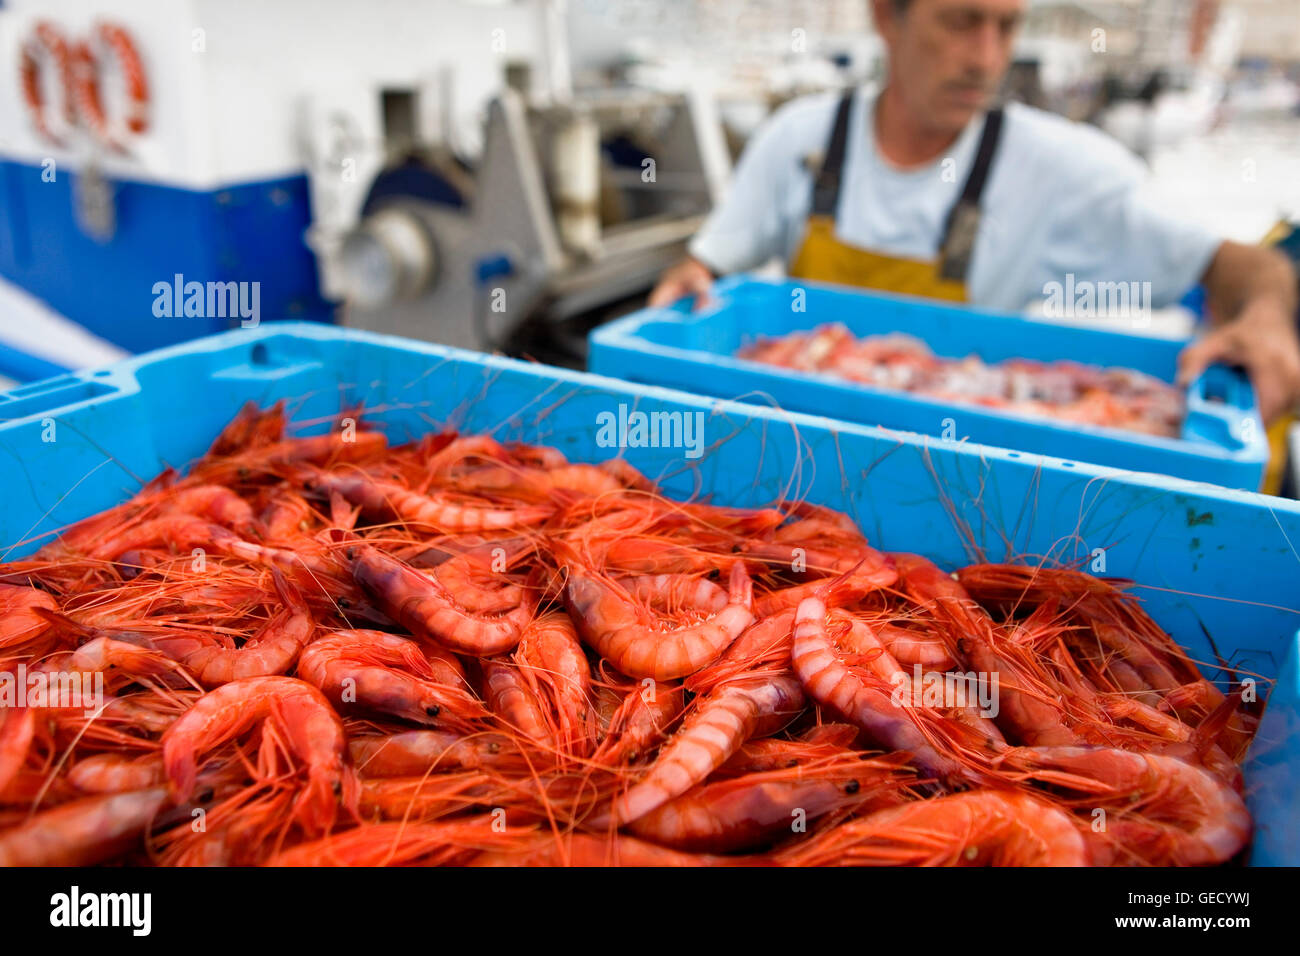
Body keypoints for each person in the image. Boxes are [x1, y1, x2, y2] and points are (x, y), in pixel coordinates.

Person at [648, 0, 1300, 426]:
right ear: (887, 17)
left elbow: (1242, 265)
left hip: (959, 465)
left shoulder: (1059, 166)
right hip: (794, 433)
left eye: (1007, 26)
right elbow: (709, 264)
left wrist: (1267, 318)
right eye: (962, 20)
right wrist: (688, 278)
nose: (987, 57)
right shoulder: (799, 136)